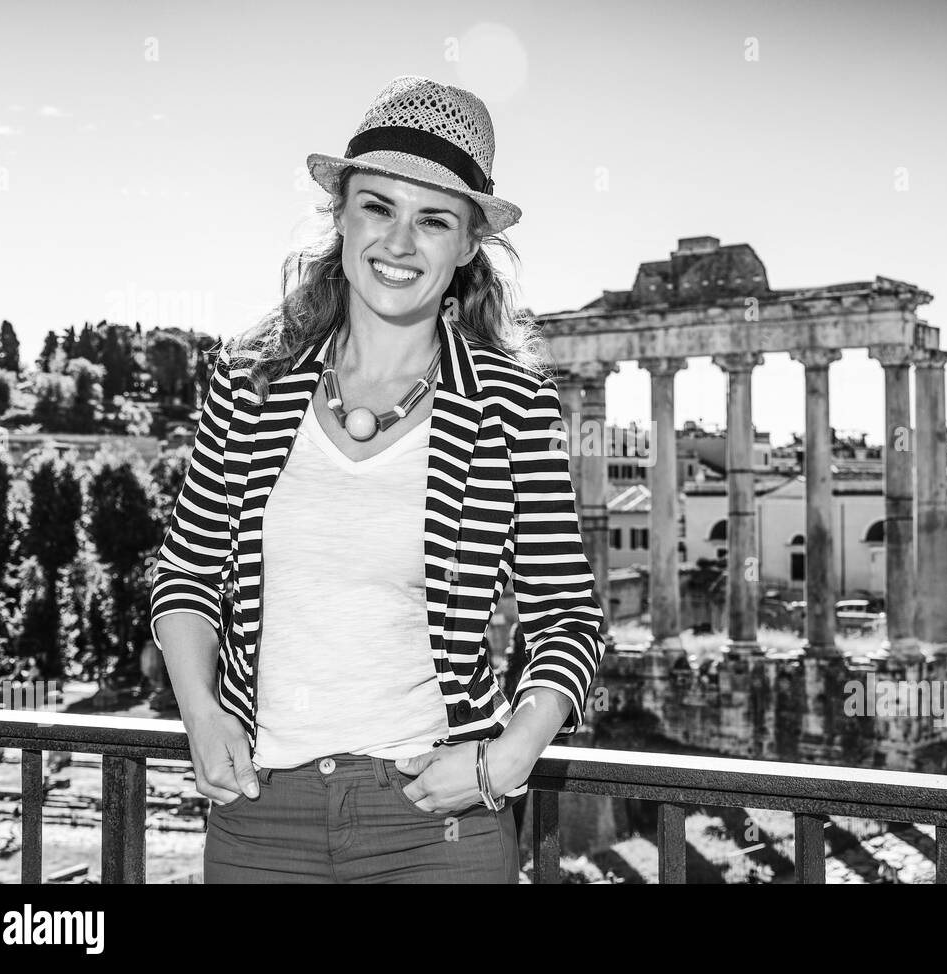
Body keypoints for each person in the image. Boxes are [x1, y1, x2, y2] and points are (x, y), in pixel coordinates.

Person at [149, 76, 605, 883]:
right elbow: (186, 576)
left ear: (467, 245)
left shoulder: (513, 403)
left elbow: (567, 618)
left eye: (433, 219)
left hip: (437, 821)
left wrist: (508, 757)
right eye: (378, 207)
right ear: (341, 216)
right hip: (259, 810)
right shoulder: (249, 380)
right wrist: (200, 709)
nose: (399, 242)